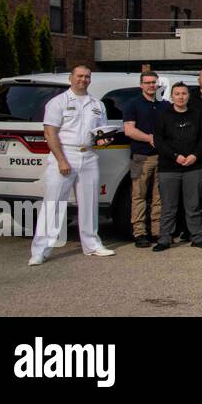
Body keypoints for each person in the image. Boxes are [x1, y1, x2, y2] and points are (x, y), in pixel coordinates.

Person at [28, 66, 116, 266]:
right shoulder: (58, 102)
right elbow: (50, 133)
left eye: (87, 77)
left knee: (89, 203)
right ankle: (40, 250)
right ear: (71, 78)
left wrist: (104, 141)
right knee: (54, 204)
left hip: (89, 155)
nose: (83, 80)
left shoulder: (97, 105)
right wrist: (61, 160)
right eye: (79, 76)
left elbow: (100, 133)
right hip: (65, 154)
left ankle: (92, 244)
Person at [153, 82, 202, 251]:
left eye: (184, 93)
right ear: (172, 96)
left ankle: (197, 236)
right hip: (169, 168)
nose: (181, 97)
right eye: (177, 94)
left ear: (188, 96)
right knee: (169, 206)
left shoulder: (197, 115)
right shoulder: (164, 115)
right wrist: (175, 156)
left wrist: (194, 155)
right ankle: (165, 238)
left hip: (193, 167)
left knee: (193, 205)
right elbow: (159, 141)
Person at [122, 71, 166, 248]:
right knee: (138, 196)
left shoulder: (163, 106)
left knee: (159, 197)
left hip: (161, 158)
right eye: (147, 82)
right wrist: (151, 138)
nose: (150, 85)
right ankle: (140, 233)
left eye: (153, 82)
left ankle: (157, 232)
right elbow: (129, 130)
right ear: (141, 85)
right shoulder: (132, 104)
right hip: (141, 157)